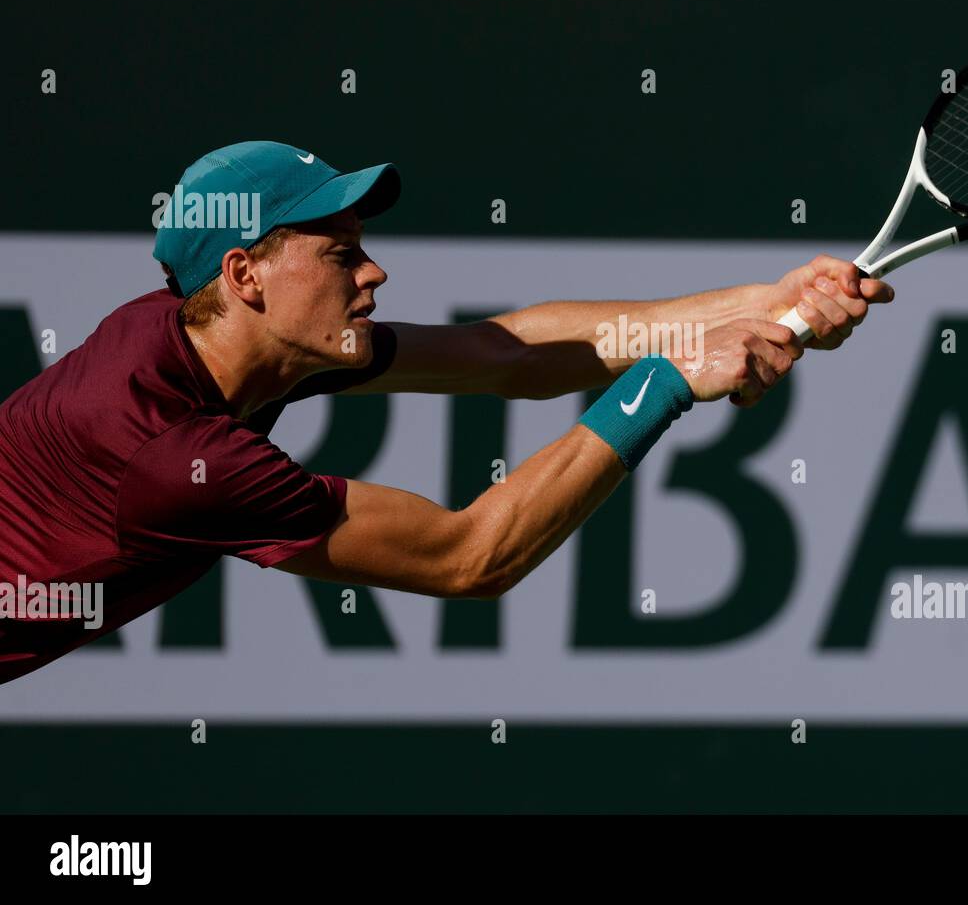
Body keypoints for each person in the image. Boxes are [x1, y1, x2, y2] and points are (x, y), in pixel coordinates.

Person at [0, 141, 893, 685]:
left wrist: (761, 298)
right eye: (339, 253)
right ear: (243, 276)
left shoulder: (206, 337)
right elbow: (470, 557)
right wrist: (663, 382)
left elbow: (501, 355)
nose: (374, 273)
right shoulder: (176, 459)